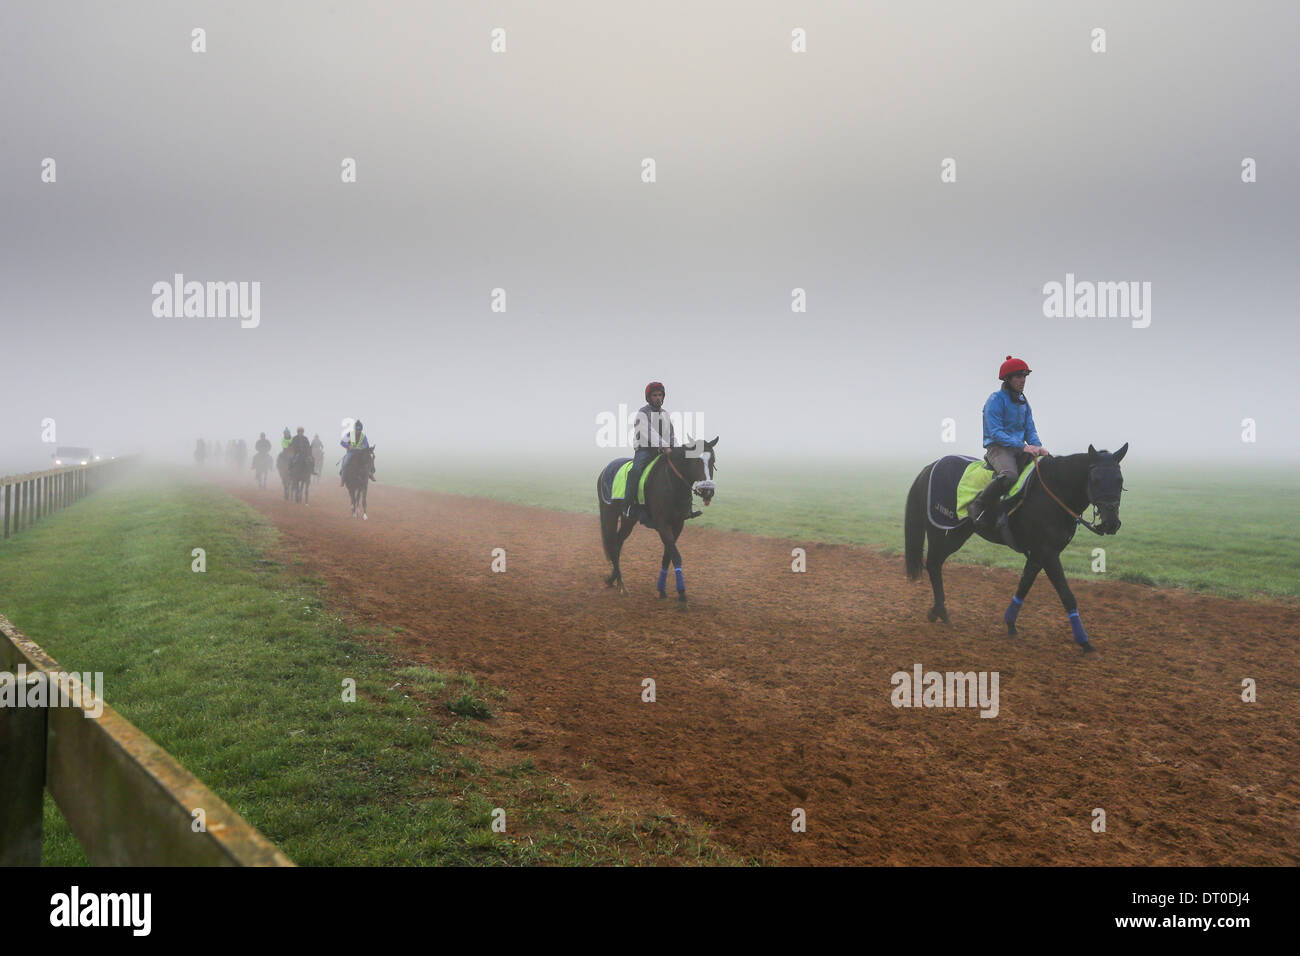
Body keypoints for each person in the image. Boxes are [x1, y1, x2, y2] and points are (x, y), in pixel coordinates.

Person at [969, 356, 1050, 531]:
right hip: (998, 448)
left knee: (1043, 471)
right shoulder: (995, 400)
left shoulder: (1023, 401)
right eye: (1018, 377)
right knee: (1010, 476)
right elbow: (996, 432)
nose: (1022, 381)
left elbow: (1030, 429)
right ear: (1008, 379)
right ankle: (978, 505)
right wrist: (1023, 446)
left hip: (1019, 448)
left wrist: (1038, 447)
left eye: (1024, 376)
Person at [624, 382, 675, 519]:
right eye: (654, 395)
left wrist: (674, 448)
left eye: (660, 395)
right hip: (644, 451)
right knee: (635, 471)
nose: (658, 398)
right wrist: (665, 446)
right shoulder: (643, 413)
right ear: (648, 397)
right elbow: (648, 432)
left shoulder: (665, 414)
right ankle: (628, 505)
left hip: (662, 450)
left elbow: (670, 434)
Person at [340, 419, 373, 485]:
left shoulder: (363, 436)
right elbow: (342, 442)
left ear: (361, 429)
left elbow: (366, 444)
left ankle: (370, 474)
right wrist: (348, 446)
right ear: (354, 428)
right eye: (357, 429)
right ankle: (343, 479)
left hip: (361, 453)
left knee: (368, 460)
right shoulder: (349, 434)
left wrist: (362, 447)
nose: (358, 431)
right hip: (351, 453)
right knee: (345, 462)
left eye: (359, 429)